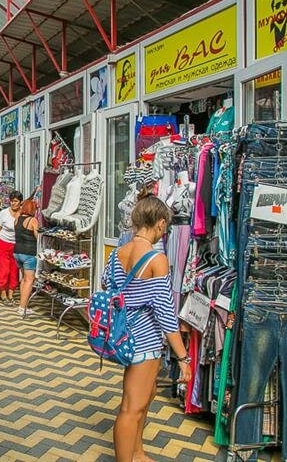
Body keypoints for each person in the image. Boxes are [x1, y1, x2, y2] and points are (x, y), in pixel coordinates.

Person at [110, 193, 191, 462]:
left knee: (144, 397)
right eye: (165, 225)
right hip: (144, 341)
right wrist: (183, 358)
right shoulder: (155, 259)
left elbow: (107, 288)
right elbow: (166, 314)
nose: (165, 231)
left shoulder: (116, 254)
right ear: (159, 223)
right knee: (131, 408)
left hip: (123, 337)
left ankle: (137, 452)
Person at [0, 190, 22, 305]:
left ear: (20, 202)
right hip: (3, 243)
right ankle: (3, 293)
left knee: (14, 270)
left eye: (16, 201)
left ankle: (11, 294)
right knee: (4, 269)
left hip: (16, 245)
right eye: (12, 201)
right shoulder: (4, 213)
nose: (13, 203)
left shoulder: (22, 213)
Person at [14, 200, 39, 317]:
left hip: (17, 252)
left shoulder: (17, 219)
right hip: (29, 254)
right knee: (29, 281)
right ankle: (22, 308)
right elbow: (37, 236)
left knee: (23, 279)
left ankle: (22, 304)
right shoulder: (33, 220)